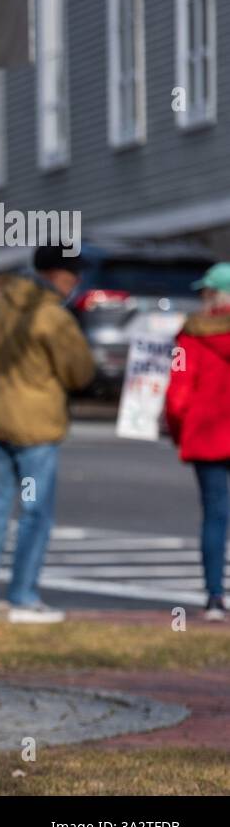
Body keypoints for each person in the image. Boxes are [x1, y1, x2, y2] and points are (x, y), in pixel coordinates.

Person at [0, 243, 95, 623]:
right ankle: (23, 596)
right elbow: (80, 372)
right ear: (60, 276)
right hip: (35, 432)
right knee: (34, 513)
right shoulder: (52, 317)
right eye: (73, 277)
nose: (74, 285)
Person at [164, 262, 230, 622]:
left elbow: (177, 393)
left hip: (207, 436)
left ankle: (215, 596)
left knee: (215, 516)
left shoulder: (189, 336)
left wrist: (178, 431)